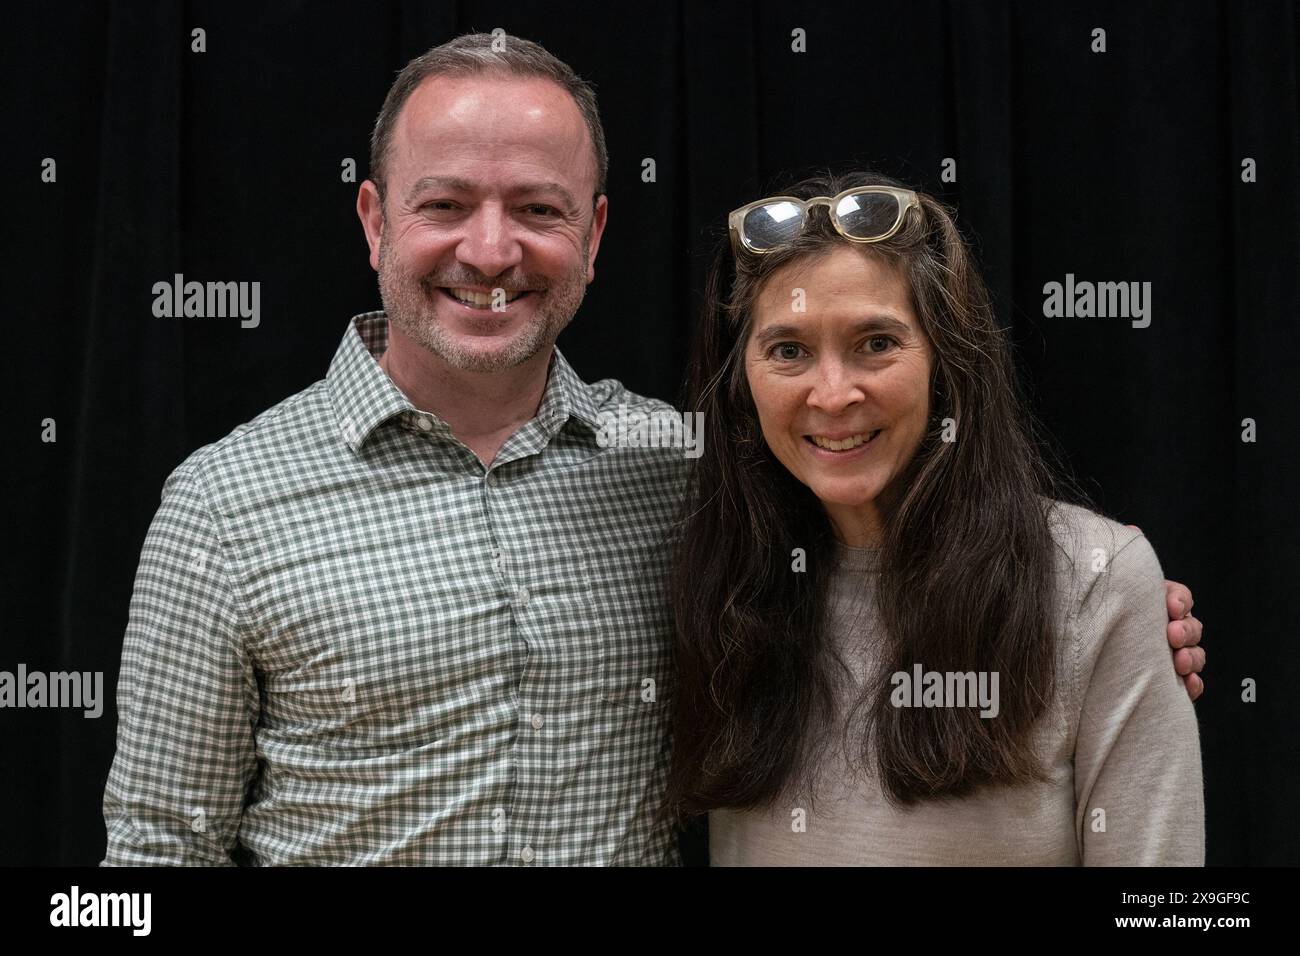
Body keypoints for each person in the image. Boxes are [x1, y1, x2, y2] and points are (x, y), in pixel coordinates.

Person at [101, 33, 1203, 866]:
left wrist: (1114, 616)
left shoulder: (692, 478)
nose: (490, 249)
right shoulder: (223, 505)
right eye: (446, 204)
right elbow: (146, 861)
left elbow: (922, 552)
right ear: (375, 219)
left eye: (536, 207)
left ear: (593, 232)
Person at [665, 170, 1205, 864]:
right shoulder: (716, 579)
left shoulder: (1094, 581)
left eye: (877, 343)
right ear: (742, 381)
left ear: (948, 362)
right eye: (789, 350)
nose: (832, 395)